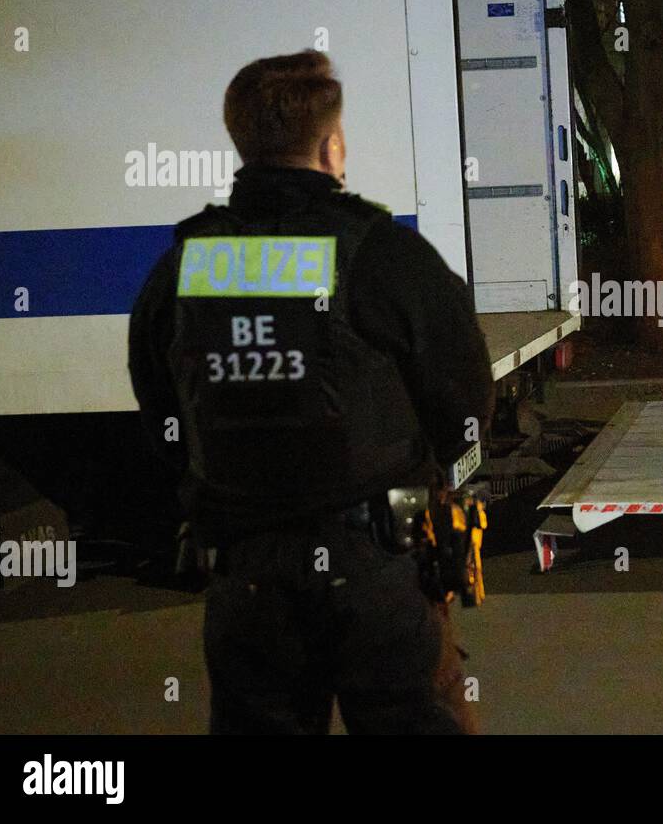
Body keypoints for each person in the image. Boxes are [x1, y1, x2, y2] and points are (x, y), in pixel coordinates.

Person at [128, 51, 494, 733]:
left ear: (242, 144)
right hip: (381, 564)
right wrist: (436, 482)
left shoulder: (183, 265)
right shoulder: (386, 255)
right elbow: (465, 405)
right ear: (332, 146)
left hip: (247, 575)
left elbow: (161, 411)